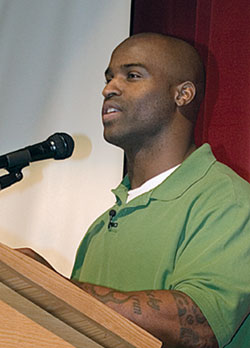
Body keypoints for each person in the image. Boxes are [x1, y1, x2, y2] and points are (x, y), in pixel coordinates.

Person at [18, 33, 250, 348]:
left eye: (132, 75)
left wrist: (48, 286)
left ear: (182, 94)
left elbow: (200, 327)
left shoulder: (229, 200)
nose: (109, 88)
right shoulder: (100, 228)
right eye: (109, 77)